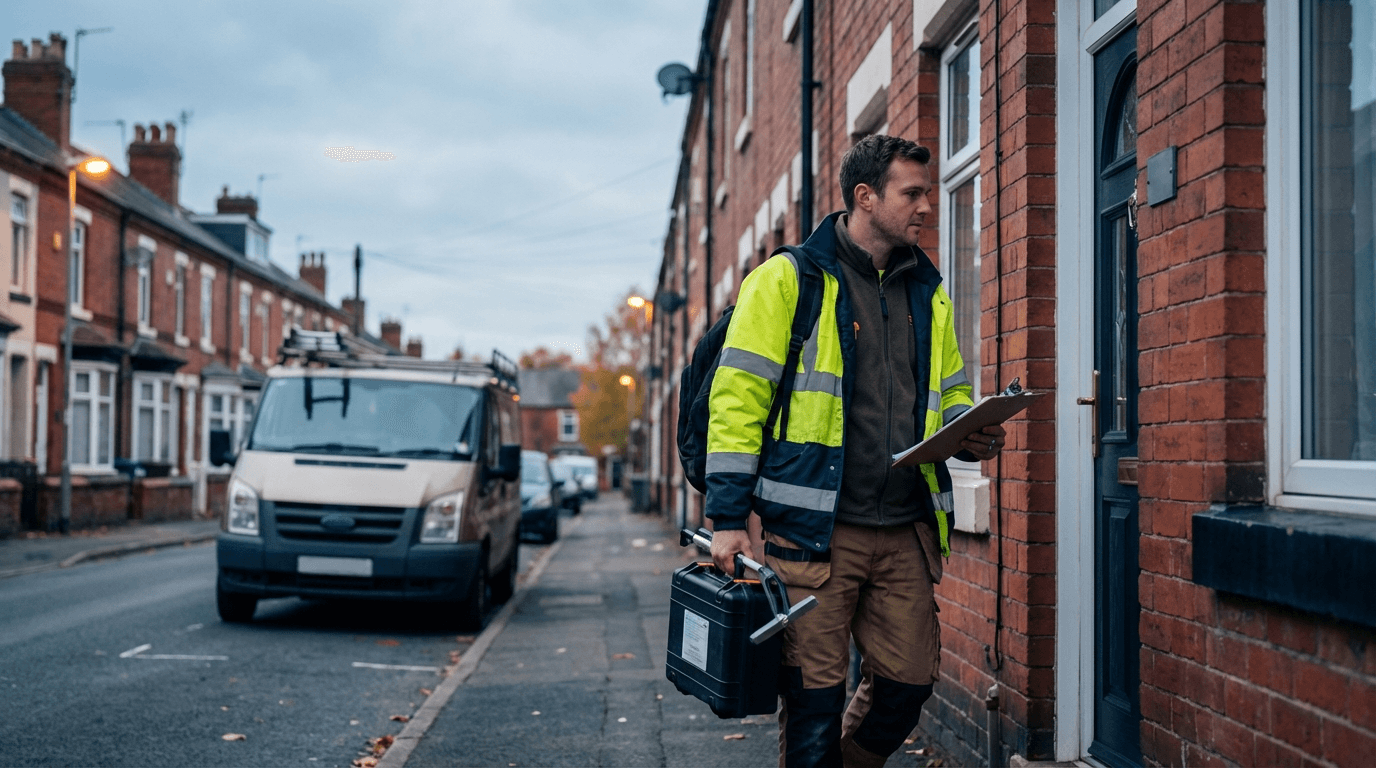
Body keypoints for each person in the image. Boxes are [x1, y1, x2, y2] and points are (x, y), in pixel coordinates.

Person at [706, 134, 1004, 768]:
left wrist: (968, 428)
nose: (927, 207)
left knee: (907, 685)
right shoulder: (789, 280)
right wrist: (727, 518)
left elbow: (950, 390)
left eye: (928, 193)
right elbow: (737, 404)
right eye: (912, 193)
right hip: (813, 535)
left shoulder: (928, 290)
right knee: (812, 704)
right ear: (865, 197)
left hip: (903, 528)